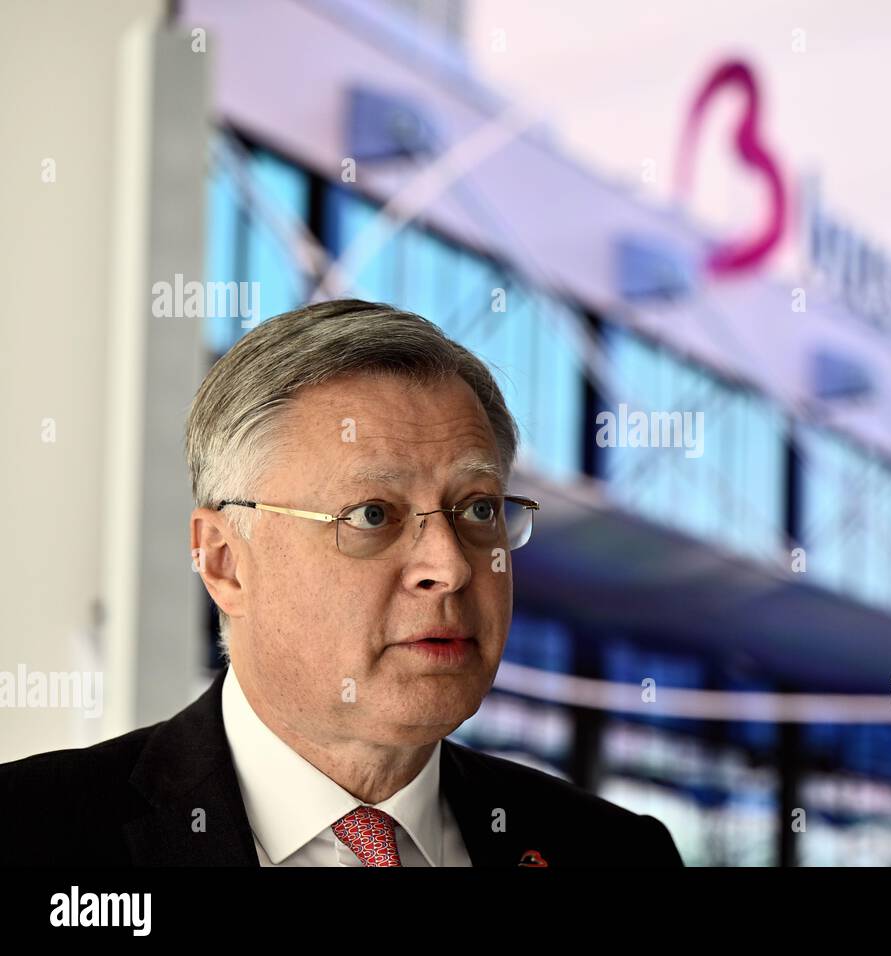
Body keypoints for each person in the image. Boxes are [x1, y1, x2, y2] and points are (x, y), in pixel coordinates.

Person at [0, 299, 683, 867]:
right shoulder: (33, 836)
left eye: (478, 510)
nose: (449, 566)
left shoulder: (616, 854)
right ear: (224, 561)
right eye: (371, 515)